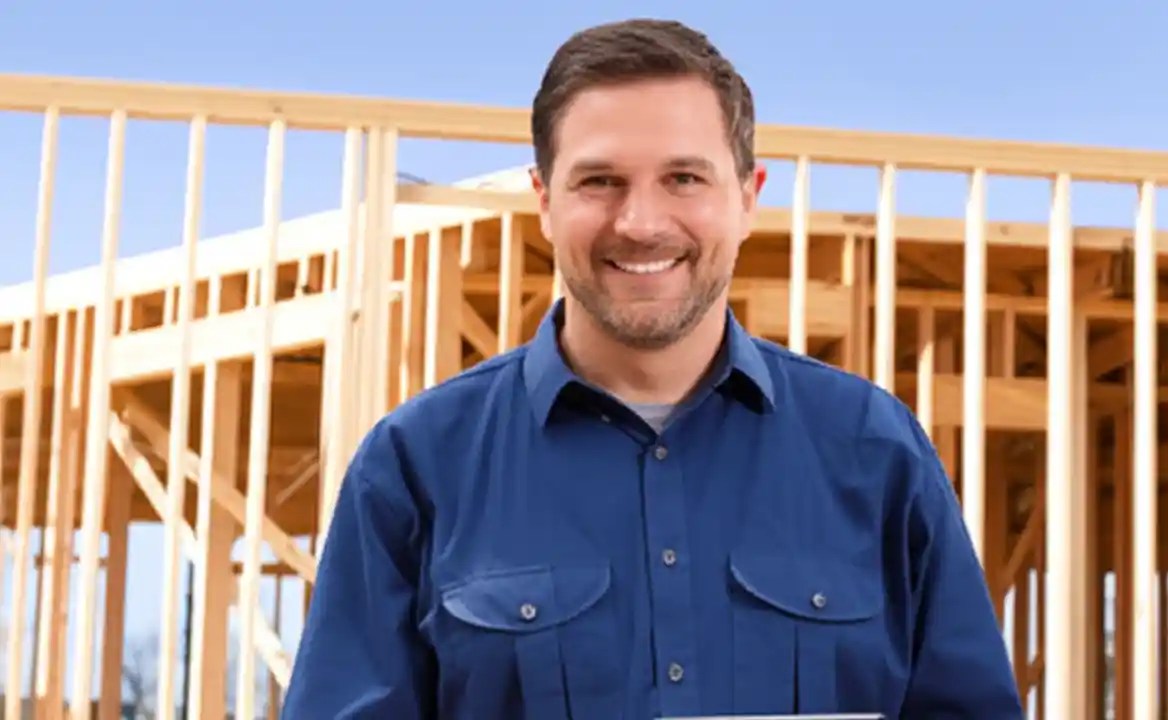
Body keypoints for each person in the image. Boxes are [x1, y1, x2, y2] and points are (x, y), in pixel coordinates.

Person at [283, 18, 1022, 719]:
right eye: (599, 180)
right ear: (543, 201)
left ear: (747, 198)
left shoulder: (875, 451)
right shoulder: (416, 467)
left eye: (684, 179)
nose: (640, 222)